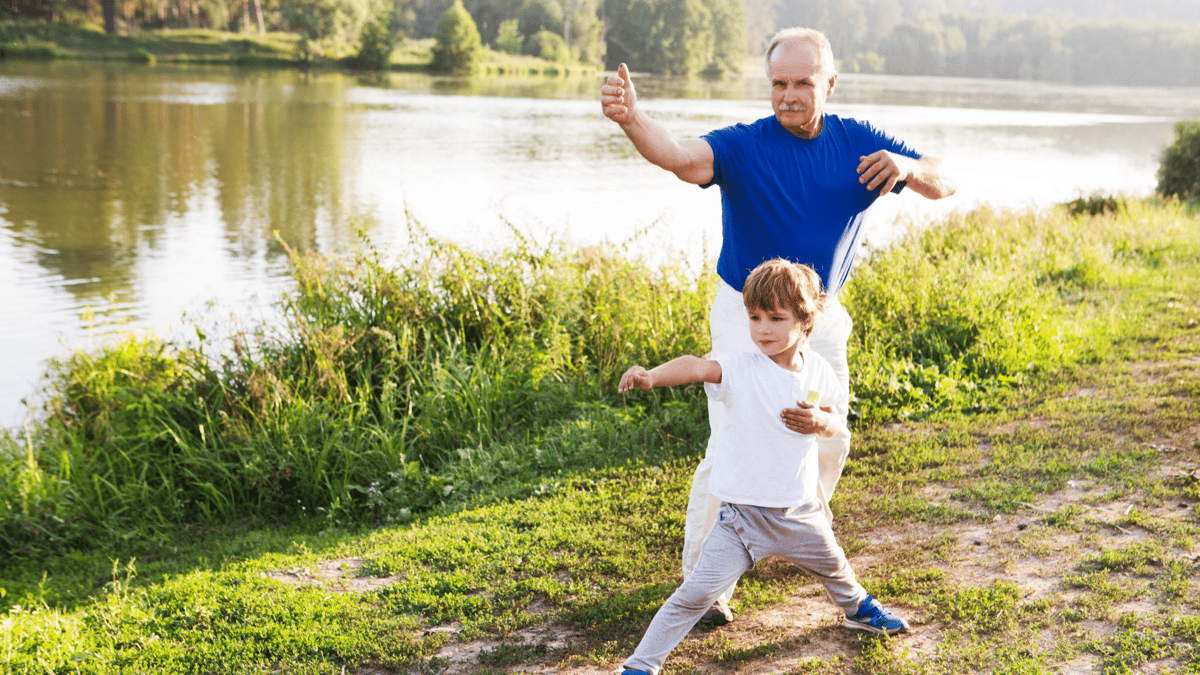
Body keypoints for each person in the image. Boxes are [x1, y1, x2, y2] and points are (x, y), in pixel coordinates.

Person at [599, 26, 956, 625]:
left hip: (820, 317)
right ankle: (708, 582)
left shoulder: (858, 144)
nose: (789, 95)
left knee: (828, 431)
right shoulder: (745, 146)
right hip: (749, 315)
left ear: (830, 84)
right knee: (731, 443)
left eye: (803, 83)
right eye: (778, 83)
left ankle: (792, 531)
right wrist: (633, 121)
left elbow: (944, 181)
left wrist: (908, 166)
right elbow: (680, 157)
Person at [615, 259, 909, 675]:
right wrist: (650, 376)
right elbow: (696, 365)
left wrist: (819, 422)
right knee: (694, 594)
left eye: (776, 317)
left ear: (805, 321)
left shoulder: (818, 370)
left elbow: (835, 423)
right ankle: (640, 666)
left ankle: (858, 610)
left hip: (800, 513)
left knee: (836, 568)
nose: (763, 328)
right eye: (754, 317)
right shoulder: (738, 366)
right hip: (740, 519)